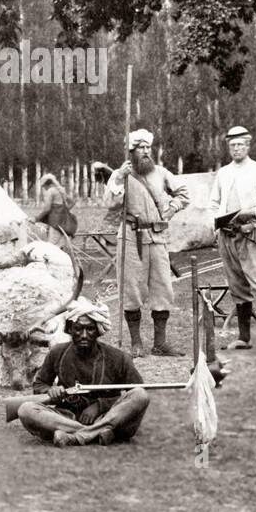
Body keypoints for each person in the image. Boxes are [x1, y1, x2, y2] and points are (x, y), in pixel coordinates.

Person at [18, 300, 149, 447]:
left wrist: (99, 406)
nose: (84, 335)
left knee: (140, 395)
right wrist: (51, 390)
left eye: (90, 329)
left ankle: (74, 437)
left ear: (99, 330)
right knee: (25, 409)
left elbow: (137, 391)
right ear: (70, 330)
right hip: (65, 417)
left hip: (107, 417)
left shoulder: (119, 357)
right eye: (78, 329)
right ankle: (94, 434)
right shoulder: (57, 352)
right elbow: (39, 384)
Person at [106, 128, 190, 356]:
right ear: (131, 151)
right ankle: (136, 342)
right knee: (132, 288)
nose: (145, 152)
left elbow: (184, 194)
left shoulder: (161, 173)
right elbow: (111, 204)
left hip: (157, 237)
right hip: (131, 237)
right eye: (139, 148)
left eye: (147, 148)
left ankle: (160, 343)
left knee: (163, 288)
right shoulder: (119, 174)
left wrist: (170, 211)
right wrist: (120, 179)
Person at [208, 126, 256, 356]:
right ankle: (244, 337)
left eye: (241, 144)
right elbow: (213, 204)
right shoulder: (223, 173)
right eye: (233, 145)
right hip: (228, 236)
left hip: (252, 235)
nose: (237, 148)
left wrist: (252, 215)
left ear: (248, 146)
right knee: (237, 285)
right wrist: (215, 222)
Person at [33, 173, 78, 237]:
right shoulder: (61, 191)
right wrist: (63, 211)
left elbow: (47, 209)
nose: (43, 188)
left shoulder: (50, 191)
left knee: (52, 244)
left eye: (43, 186)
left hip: (54, 224)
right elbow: (72, 202)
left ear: (45, 184)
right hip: (64, 223)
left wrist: (36, 218)